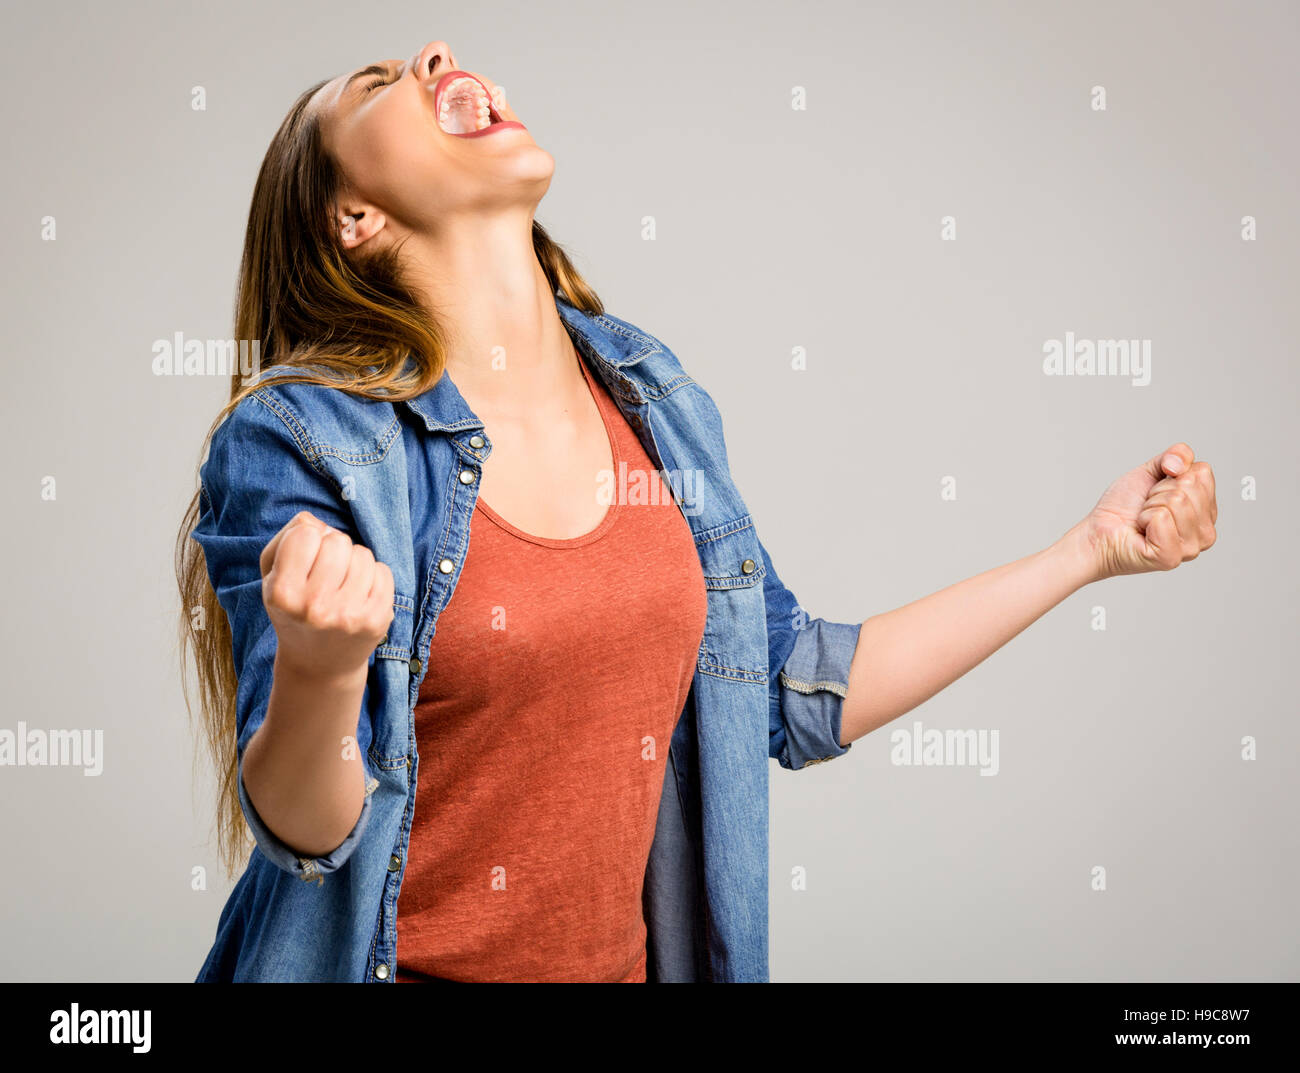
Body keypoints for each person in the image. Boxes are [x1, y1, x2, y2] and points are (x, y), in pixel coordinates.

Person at [176, 39, 1219, 983]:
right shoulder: (302, 436)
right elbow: (306, 828)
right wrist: (321, 670)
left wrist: (1089, 551)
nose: (435, 53)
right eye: (377, 81)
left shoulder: (651, 395)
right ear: (354, 217)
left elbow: (789, 686)